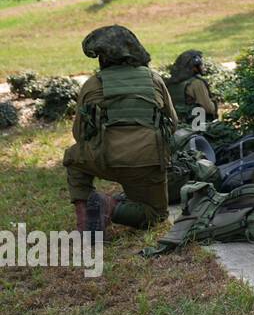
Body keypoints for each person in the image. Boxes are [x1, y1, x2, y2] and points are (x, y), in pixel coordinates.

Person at [65, 26, 177, 233]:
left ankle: (84, 220)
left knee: (73, 158)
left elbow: (79, 134)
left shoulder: (92, 85)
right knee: (156, 215)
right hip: (147, 162)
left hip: (104, 159)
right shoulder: (153, 80)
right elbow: (172, 123)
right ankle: (110, 206)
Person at [165, 50, 219, 129]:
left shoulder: (170, 83)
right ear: (194, 68)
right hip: (197, 129)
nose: (202, 67)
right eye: (200, 65)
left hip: (176, 128)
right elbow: (208, 108)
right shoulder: (196, 83)